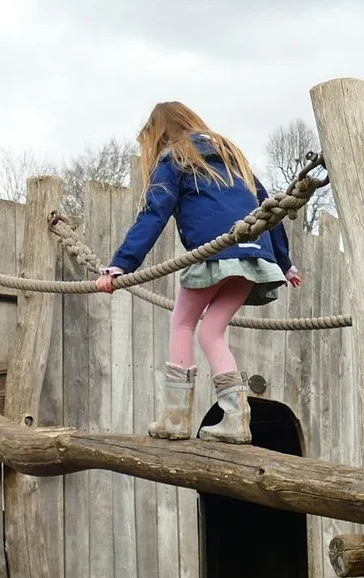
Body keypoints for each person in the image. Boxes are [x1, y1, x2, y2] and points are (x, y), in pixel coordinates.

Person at [99, 102, 301, 444]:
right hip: (254, 257)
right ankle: (237, 419)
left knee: (182, 323)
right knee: (212, 333)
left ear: (159, 134)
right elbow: (269, 209)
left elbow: (154, 213)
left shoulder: (175, 157)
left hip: (216, 253)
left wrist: (122, 264)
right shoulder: (232, 156)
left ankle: (176, 418)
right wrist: (284, 262)